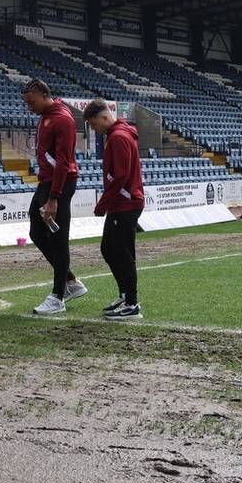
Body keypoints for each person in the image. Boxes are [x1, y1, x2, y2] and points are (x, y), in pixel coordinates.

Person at [21, 78, 86, 316]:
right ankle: (70, 282)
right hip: (46, 182)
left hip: (59, 184)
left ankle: (58, 296)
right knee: (36, 232)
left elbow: (63, 162)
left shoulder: (62, 119)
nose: (29, 107)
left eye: (31, 102)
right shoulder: (46, 117)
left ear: (43, 94)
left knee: (58, 238)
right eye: (26, 103)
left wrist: (54, 198)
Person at [82, 100, 144, 321]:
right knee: (109, 249)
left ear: (105, 118)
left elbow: (120, 175)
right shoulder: (117, 135)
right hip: (122, 203)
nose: (93, 129)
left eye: (93, 123)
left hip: (125, 203)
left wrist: (103, 203)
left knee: (123, 253)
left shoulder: (118, 137)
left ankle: (132, 303)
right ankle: (125, 295)